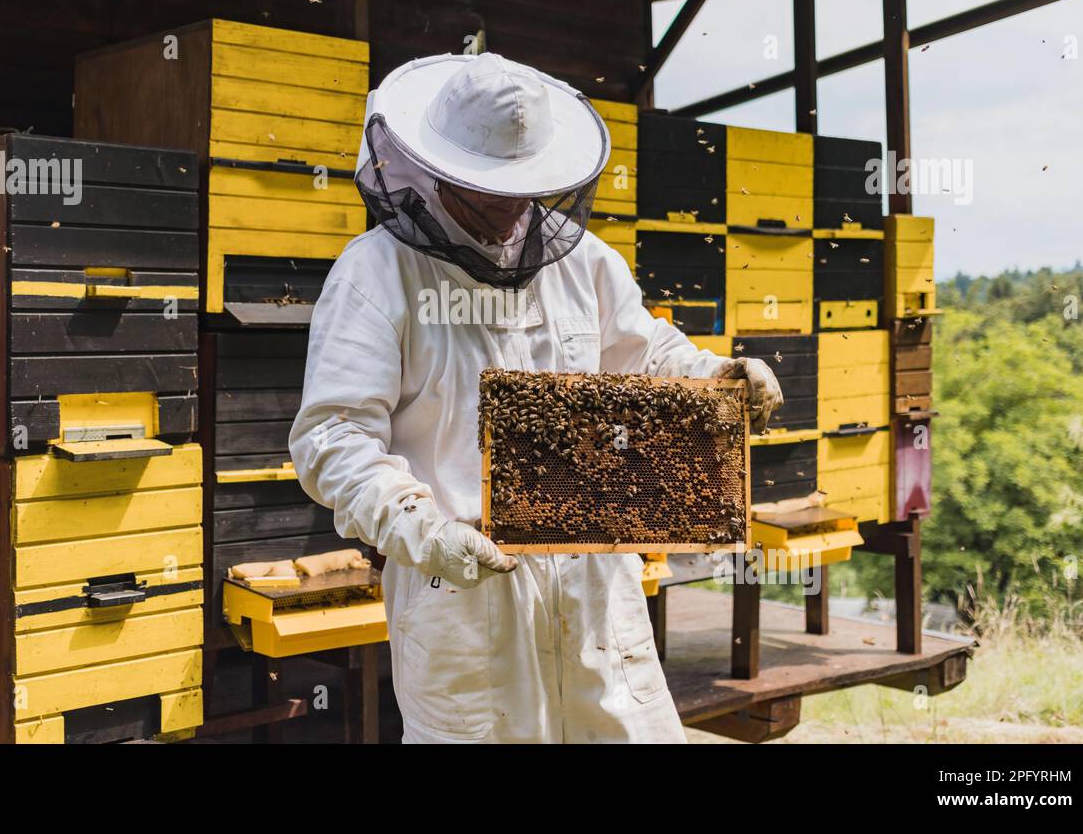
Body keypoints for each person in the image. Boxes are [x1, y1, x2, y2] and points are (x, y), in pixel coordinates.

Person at [289, 52, 782, 743]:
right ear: (440, 172)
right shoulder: (376, 274)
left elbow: (646, 356)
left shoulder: (585, 264)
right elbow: (331, 438)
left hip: (595, 588)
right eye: (489, 191)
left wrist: (718, 377)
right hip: (462, 597)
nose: (511, 208)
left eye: (525, 188)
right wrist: (423, 528)